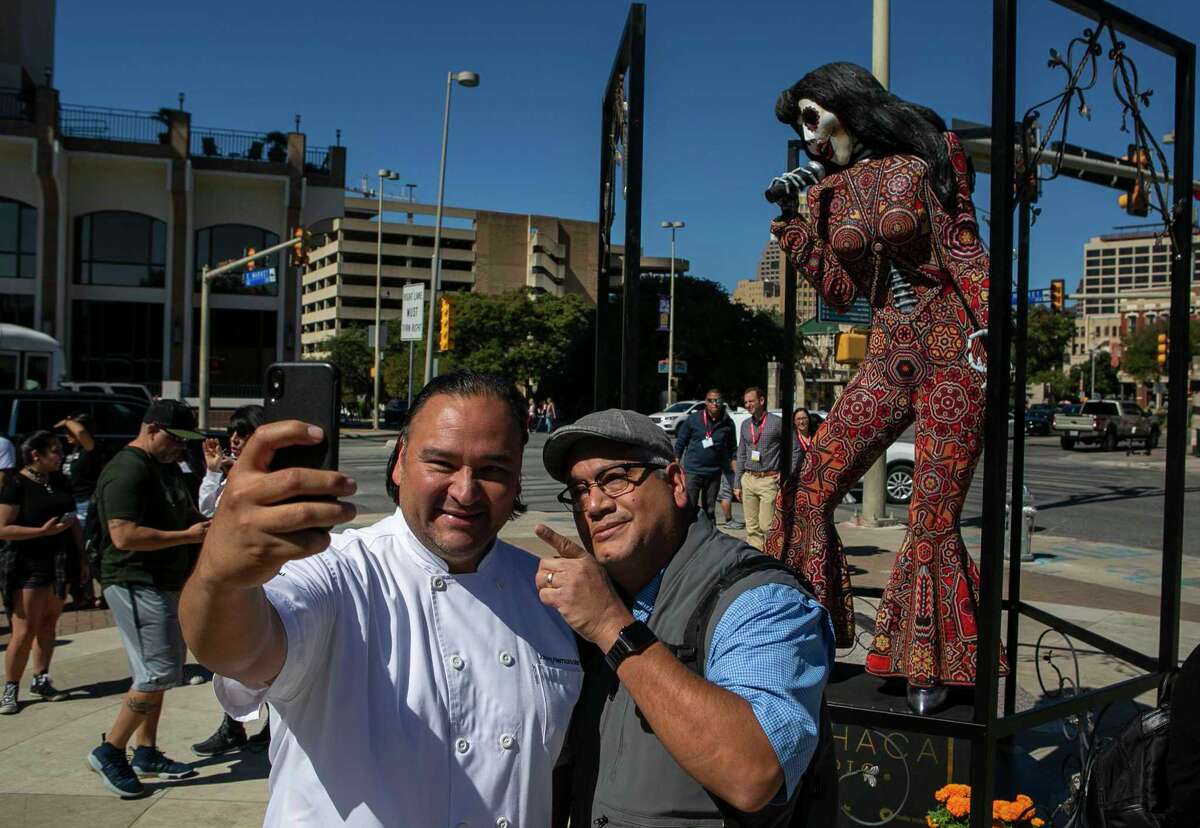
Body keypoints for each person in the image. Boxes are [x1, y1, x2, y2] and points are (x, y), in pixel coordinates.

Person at [180, 371, 580, 826]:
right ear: (400, 462)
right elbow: (239, 650)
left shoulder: (547, 594)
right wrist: (221, 578)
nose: (465, 491)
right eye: (442, 464)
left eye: (492, 470)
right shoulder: (338, 570)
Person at [764, 62, 1001, 713]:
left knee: (930, 514)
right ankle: (799, 630)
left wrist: (992, 339)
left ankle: (930, 664)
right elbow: (843, 294)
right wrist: (795, 231)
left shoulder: (931, 154)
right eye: (799, 127)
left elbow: (965, 252)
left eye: (813, 118)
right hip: (890, 353)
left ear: (849, 105)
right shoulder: (825, 194)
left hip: (957, 351)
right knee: (810, 484)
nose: (810, 138)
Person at [539, 409, 835, 826]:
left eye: (616, 478)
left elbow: (754, 773)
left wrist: (611, 626)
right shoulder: (594, 595)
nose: (595, 504)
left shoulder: (759, 600)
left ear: (676, 482)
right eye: (579, 490)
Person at [87, 400, 210, 798]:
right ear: (152, 429)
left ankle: (146, 751)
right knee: (154, 673)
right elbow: (123, 535)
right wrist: (185, 538)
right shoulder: (127, 469)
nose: (181, 448)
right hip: (135, 580)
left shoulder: (165, 468)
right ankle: (111, 751)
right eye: (176, 439)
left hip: (163, 581)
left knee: (163, 672)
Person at [191, 403, 271, 757]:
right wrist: (213, 473)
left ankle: (271, 725)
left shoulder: (270, 476)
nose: (235, 440)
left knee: (265, 655)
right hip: (234, 577)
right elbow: (208, 509)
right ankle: (234, 725)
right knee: (232, 658)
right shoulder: (231, 474)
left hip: (266, 577)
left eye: (244, 433)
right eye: (233, 434)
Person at [0, 431, 82, 714]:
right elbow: (3, 527)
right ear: (36, 455)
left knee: (48, 624)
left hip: (58, 562)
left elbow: (73, 524)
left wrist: (82, 559)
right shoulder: (15, 484)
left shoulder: (58, 481)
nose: (61, 456)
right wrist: (40, 532)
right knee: (23, 630)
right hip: (27, 563)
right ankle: (10, 687)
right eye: (55, 451)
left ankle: (41, 677)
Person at [732, 387, 785, 550]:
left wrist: (785, 473)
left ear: (761, 401)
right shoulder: (745, 424)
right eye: (745, 402)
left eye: (751, 401)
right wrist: (737, 483)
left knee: (767, 524)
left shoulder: (777, 423)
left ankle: (772, 555)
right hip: (748, 478)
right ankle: (757, 559)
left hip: (768, 479)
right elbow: (741, 454)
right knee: (752, 527)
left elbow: (794, 449)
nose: (747, 405)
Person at [673, 389, 736, 524]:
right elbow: (680, 443)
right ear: (706, 402)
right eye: (711, 400)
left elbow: (732, 448)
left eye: (717, 400)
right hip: (693, 471)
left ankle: (708, 535)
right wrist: (676, 465)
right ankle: (687, 534)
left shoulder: (728, 423)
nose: (714, 404)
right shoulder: (694, 419)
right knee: (689, 507)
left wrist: (733, 472)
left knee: (710, 509)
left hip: (713, 473)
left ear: (722, 402)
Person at [58, 414, 101, 609]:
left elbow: (82, 432)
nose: (66, 435)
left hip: (85, 503)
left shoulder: (89, 449)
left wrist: (68, 421)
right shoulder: (72, 450)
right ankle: (82, 595)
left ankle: (90, 595)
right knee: (76, 550)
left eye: (69, 432)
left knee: (86, 549)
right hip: (71, 503)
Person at [790, 407, 815, 476]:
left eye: (804, 418)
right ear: (794, 422)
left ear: (809, 419)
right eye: (798, 419)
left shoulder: (816, 436)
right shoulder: (791, 439)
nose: (801, 422)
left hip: (813, 478)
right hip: (796, 479)